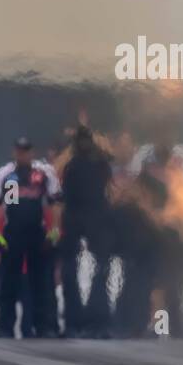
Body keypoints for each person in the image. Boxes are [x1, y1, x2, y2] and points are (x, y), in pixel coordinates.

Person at [0, 137, 61, 337]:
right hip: (13, 232)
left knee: (40, 281)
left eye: (27, 150)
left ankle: (43, 326)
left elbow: (55, 202)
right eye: (20, 151)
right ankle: (4, 326)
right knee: (8, 280)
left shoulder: (44, 173)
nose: (23, 154)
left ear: (32, 152)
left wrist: (53, 230)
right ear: (15, 152)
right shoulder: (5, 174)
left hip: (37, 232)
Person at [59, 125, 114, 336]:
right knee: (71, 272)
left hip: (95, 220)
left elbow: (111, 163)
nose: (83, 144)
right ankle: (75, 322)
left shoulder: (101, 164)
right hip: (75, 220)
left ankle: (98, 322)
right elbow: (64, 194)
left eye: (86, 140)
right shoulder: (71, 165)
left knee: (100, 272)